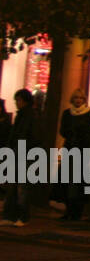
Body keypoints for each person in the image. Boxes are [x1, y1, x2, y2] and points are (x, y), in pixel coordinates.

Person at [58, 89, 90, 222]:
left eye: (80, 98)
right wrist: (71, 133)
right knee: (67, 182)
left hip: (83, 151)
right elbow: (62, 130)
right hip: (70, 149)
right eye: (76, 98)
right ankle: (68, 210)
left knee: (79, 183)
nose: (78, 100)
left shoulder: (89, 114)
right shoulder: (67, 113)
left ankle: (77, 212)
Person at [1, 90, 38, 226]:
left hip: (24, 153)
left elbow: (30, 136)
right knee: (14, 186)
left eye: (18, 100)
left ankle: (21, 216)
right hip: (18, 152)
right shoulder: (23, 115)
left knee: (21, 187)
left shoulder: (29, 116)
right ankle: (12, 215)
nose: (17, 103)